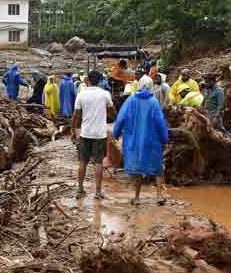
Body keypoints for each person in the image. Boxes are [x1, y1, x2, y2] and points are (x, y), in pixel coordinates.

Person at [114, 75, 170, 206]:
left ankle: (137, 197)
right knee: (157, 168)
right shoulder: (154, 102)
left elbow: (121, 118)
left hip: (134, 140)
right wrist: (164, 139)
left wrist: (116, 133)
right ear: (151, 86)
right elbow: (160, 122)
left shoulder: (131, 100)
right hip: (152, 140)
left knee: (137, 169)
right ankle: (159, 195)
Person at [72, 70, 115, 199]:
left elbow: (76, 116)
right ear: (100, 81)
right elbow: (112, 112)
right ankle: (97, 192)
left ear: (87, 81)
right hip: (100, 134)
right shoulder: (105, 94)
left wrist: (73, 130)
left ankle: (80, 189)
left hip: (85, 133)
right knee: (98, 163)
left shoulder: (81, 94)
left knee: (82, 162)